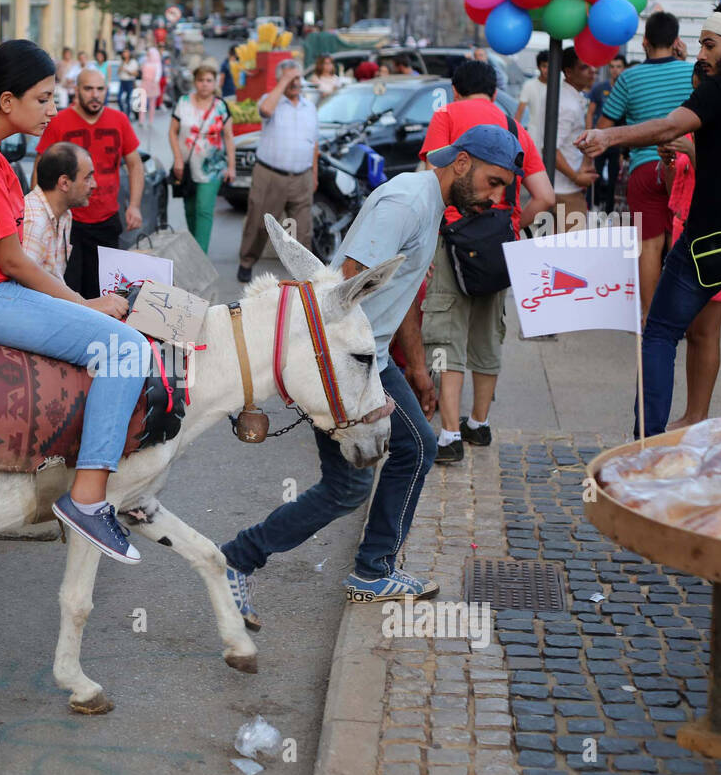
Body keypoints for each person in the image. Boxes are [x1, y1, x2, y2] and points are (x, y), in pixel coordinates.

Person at [220, 125, 525, 624]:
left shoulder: (429, 207)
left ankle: (367, 568)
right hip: (341, 365)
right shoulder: (407, 203)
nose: (496, 197)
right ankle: (242, 559)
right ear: (463, 163)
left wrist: (419, 370)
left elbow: (392, 295)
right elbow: (340, 289)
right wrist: (338, 387)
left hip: (370, 360)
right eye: (493, 182)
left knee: (405, 454)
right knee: (357, 482)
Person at [0, 39, 148, 563]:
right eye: (43, 99)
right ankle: (87, 501)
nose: (52, 109)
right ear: (6, 102)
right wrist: (86, 306)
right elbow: (14, 261)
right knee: (128, 348)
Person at [577, 3, 721, 437]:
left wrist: (609, 136)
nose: (702, 56)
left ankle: (645, 443)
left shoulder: (717, 91)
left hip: (709, 242)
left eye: (710, 46)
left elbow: (668, 128)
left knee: (659, 334)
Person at [418, 60, 556, 463]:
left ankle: (448, 436)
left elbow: (432, 179)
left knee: (446, 333)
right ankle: (478, 423)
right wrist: (513, 224)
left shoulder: (446, 114)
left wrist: (424, 240)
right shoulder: (514, 129)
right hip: (499, 246)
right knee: (487, 333)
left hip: (453, 239)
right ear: (495, 94)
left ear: (455, 90)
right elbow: (545, 196)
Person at [595, 11, 695, 319]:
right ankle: (682, 313)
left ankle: (650, 316)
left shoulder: (629, 77)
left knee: (648, 246)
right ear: (676, 40)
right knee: (679, 240)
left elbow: (604, 125)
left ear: (645, 42)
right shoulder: (691, 73)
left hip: (643, 170)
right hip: (684, 168)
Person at [36, 65, 144, 299]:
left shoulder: (120, 120)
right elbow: (40, 167)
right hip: (68, 222)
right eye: (88, 88)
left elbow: (135, 164)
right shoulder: (59, 122)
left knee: (107, 292)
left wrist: (134, 205)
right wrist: (40, 213)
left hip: (107, 221)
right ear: (77, 90)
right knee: (69, 291)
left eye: (100, 89)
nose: (95, 94)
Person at [659, 61, 721, 429]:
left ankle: (698, 414)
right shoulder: (694, 128)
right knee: (692, 331)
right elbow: (673, 194)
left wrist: (690, 150)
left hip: (713, 241)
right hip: (686, 236)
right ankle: (692, 412)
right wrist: (669, 163)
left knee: (705, 331)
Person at [234, 59, 319, 282]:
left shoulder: (309, 107)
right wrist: (284, 81)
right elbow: (265, 110)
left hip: (302, 177)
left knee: (302, 230)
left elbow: (314, 144)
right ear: (281, 80)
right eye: (290, 79)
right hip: (271, 175)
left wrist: (314, 174)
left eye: (298, 78)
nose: (295, 83)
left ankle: (302, 275)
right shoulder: (270, 101)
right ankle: (246, 261)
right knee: (259, 224)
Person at [169, 64, 236, 254]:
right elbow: (172, 133)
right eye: (201, 80)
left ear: (215, 83)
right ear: (195, 82)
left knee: (204, 211)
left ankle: (200, 258)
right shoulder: (183, 102)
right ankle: (194, 250)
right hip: (186, 167)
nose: (205, 85)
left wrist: (231, 166)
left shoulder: (221, 106)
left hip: (212, 168)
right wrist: (177, 159)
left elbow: (229, 137)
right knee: (190, 211)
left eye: (209, 81)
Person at [22, 141, 94, 281]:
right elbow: (23, 290)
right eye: (87, 178)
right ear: (64, 183)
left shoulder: (64, 214)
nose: (94, 185)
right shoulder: (34, 222)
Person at [552, 48, 598, 232]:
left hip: (564, 188)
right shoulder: (567, 105)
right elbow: (550, 148)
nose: (592, 70)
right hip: (564, 191)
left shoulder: (570, 96)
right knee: (572, 252)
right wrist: (576, 177)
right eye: (584, 67)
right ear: (568, 72)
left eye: (592, 65)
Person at [586, 53, 627, 213]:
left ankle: (609, 212)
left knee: (613, 178)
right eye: (612, 67)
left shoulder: (626, 90)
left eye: (618, 67)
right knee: (594, 174)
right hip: (598, 139)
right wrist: (589, 134)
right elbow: (590, 113)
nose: (615, 70)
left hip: (617, 141)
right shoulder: (599, 88)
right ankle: (592, 207)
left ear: (624, 69)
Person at [515, 50, 549, 151]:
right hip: (535, 135)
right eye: (544, 66)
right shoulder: (529, 85)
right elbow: (519, 112)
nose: (547, 70)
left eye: (550, 66)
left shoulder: (560, 85)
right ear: (539, 67)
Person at [140, 47, 163, 127]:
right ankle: (141, 120)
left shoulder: (157, 64)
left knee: (152, 104)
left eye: (149, 53)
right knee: (142, 103)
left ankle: (150, 121)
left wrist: (153, 83)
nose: (148, 54)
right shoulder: (145, 61)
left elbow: (158, 76)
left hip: (152, 84)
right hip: (144, 83)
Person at [118, 47, 139, 118]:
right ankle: (122, 114)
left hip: (130, 82)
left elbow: (136, 73)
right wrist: (121, 68)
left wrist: (126, 70)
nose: (124, 54)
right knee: (119, 98)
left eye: (126, 52)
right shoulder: (121, 62)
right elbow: (118, 73)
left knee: (128, 100)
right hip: (122, 81)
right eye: (123, 52)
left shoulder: (133, 62)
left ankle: (127, 116)